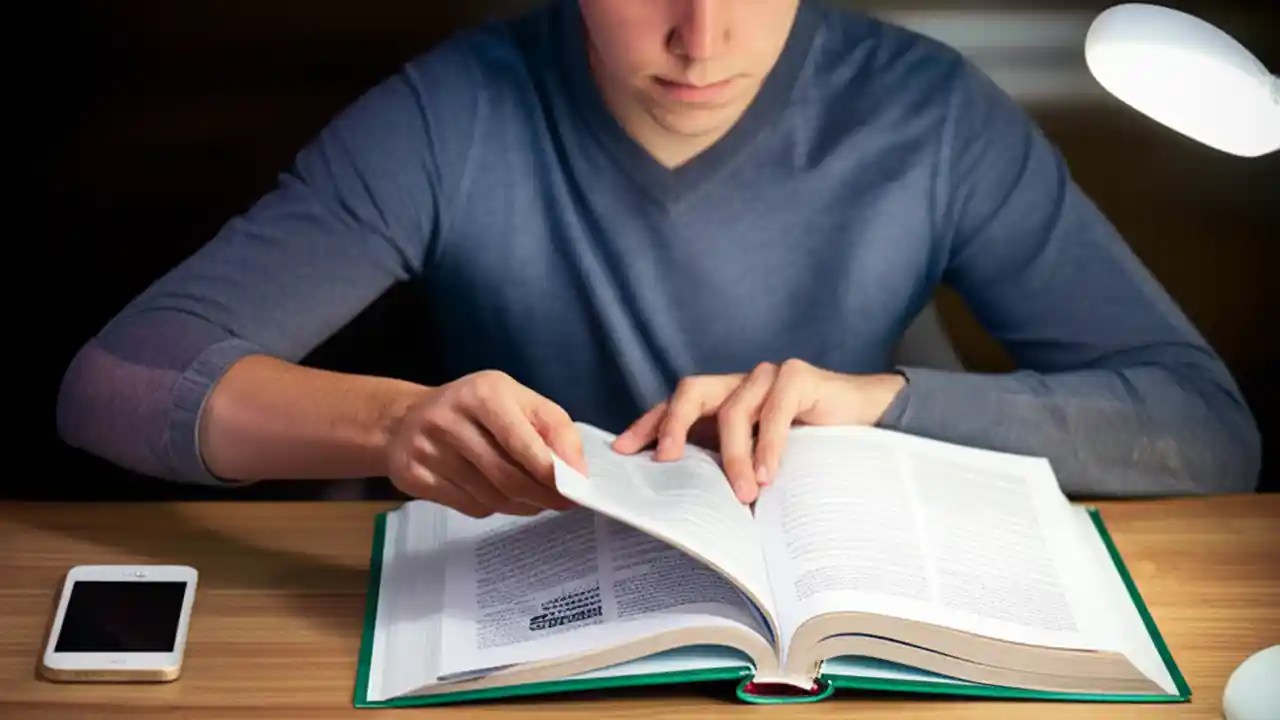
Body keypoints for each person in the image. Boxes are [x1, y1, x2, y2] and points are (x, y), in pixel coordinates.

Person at [56, 0, 1260, 516]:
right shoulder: (454, 110)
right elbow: (115, 380)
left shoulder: (927, 113)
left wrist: (876, 404)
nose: (701, 36)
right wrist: (390, 426)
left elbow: (1205, 432)